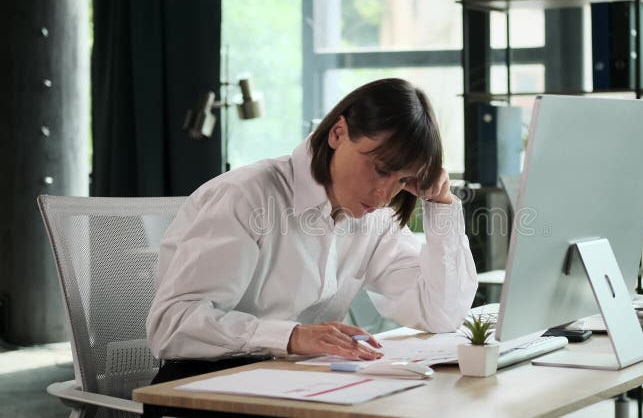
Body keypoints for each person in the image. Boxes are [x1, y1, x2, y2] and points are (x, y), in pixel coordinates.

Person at [146, 78, 478, 383]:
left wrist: (442, 204)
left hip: (294, 384)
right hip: (203, 387)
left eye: (403, 180)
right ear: (338, 133)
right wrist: (291, 336)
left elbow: (440, 315)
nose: (384, 195)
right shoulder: (248, 196)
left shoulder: (372, 220)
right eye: (380, 169)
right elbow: (172, 326)